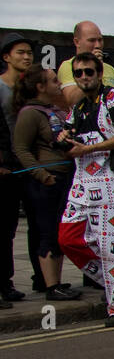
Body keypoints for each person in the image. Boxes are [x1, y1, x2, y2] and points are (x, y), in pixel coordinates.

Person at [57, 52, 114, 325]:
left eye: (89, 72)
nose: (84, 77)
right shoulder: (78, 108)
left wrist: (89, 148)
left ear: (99, 74)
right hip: (82, 186)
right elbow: (68, 142)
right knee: (68, 239)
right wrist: (63, 138)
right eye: (79, 73)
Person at [12, 66, 80, 300]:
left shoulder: (55, 110)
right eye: (53, 81)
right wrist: (42, 175)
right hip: (45, 182)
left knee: (59, 232)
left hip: (64, 178)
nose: (59, 84)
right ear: (40, 87)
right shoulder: (30, 113)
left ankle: (57, 282)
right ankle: (51, 287)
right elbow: (20, 148)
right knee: (47, 232)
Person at [1, 32, 37, 300]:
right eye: (20, 53)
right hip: (6, 168)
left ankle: (14, 282)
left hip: (28, 166)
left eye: (29, 53)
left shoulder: (28, 90)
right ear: (6, 57)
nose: (26, 57)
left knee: (25, 227)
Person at [58, 21, 114, 105]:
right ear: (77, 42)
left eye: (100, 40)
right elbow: (73, 101)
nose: (97, 45)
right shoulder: (68, 66)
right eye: (92, 40)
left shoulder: (111, 69)